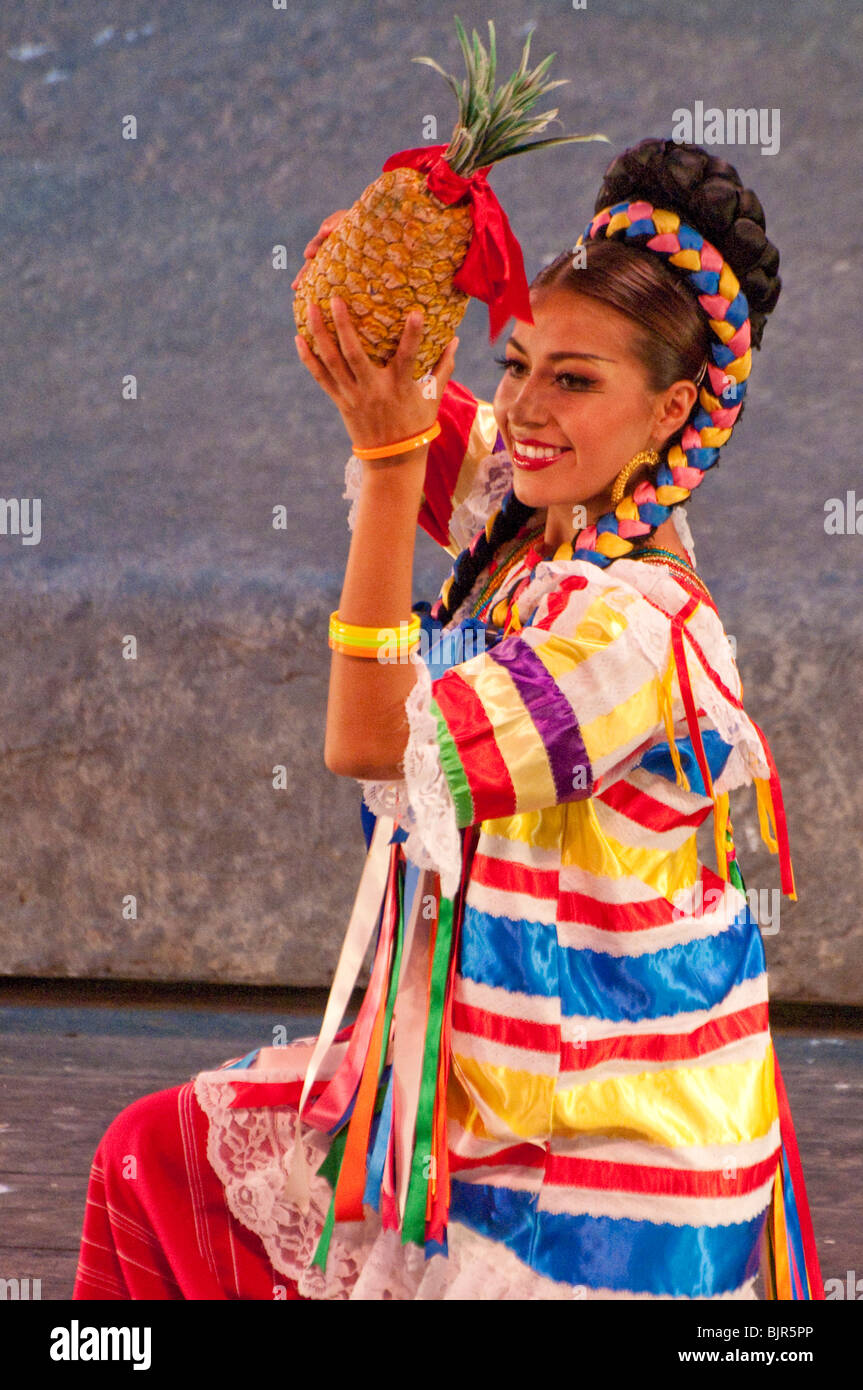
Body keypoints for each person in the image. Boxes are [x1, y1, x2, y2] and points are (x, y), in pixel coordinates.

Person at [73, 138, 823, 1301]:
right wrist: (372, 278)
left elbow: (367, 741)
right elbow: (444, 426)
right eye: (518, 362)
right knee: (153, 1160)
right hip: (495, 1093)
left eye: (572, 380)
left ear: (673, 408)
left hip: (594, 1168)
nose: (525, 407)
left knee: (160, 1164)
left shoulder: (629, 629)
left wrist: (382, 463)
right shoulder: (561, 523)